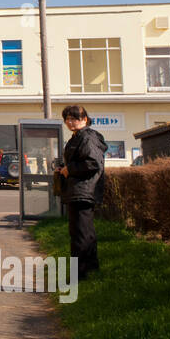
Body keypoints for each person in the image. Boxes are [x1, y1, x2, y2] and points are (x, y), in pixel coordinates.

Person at [58, 104, 106, 277]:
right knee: (83, 232)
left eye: (74, 118)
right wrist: (64, 169)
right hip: (79, 190)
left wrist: (69, 169)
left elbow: (93, 163)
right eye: (67, 119)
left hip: (84, 191)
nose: (70, 122)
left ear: (84, 119)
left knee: (81, 234)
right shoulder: (78, 137)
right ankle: (90, 271)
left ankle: (81, 274)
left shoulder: (87, 137)